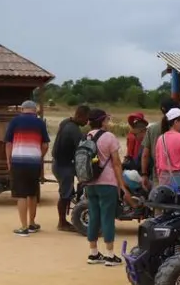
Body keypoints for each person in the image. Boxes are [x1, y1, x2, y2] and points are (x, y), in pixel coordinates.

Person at [82, 109, 128, 266]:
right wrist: (121, 184)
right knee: (107, 217)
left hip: (90, 182)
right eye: (107, 119)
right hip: (107, 183)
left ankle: (93, 253)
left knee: (93, 216)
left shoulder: (86, 137)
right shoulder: (109, 137)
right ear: (102, 121)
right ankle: (110, 254)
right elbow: (116, 162)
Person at [3, 100, 51, 236]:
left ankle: (23, 227)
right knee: (32, 193)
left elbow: (8, 143)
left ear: (22, 109)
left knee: (21, 194)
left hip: (18, 161)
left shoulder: (15, 121)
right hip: (34, 163)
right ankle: (32, 223)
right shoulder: (40, 123)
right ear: (34, 110)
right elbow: (46, 145)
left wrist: (9, 160)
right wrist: (39, 157)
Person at [50, 104, 90, 232]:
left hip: (59, 163)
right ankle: (62, 222)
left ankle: (64, 220)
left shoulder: (66, 122)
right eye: (86, 119)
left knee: (68, 192)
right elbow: (82, 150)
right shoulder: (74, 131)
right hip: (63, 165)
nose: (87, 122)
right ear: (80, 116)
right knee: (65, 194)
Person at [140, 99, 177, 188]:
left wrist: (144, 174)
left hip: (158, 173)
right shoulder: (179, 129)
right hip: (177, 174)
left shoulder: (152, 129)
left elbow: (145, 155)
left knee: (159, 198)